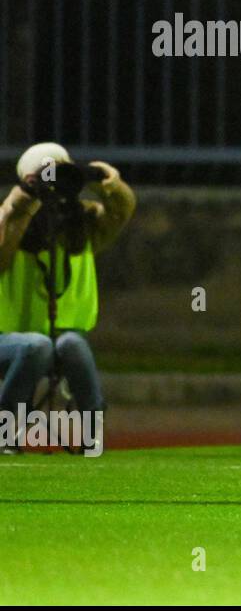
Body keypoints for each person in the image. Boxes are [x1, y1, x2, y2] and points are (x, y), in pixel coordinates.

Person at [0, 143, 136, 453]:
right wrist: (23, 200)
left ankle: (93, 432)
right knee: (36, 344)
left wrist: (105, 181)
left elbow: (121, 210)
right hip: (8, 339)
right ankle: (5, 430)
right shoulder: (9, 222)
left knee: (70, 344)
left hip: (63, 335)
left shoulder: (82, 223)